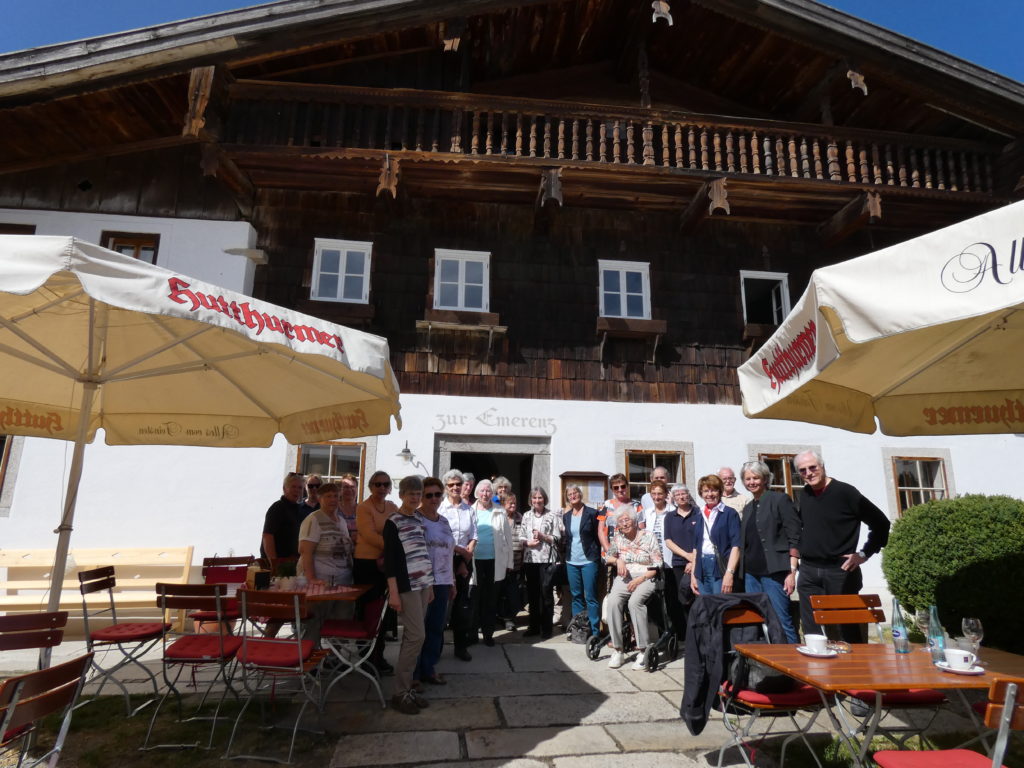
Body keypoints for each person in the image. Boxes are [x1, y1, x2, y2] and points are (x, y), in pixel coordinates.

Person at [794, 450, 890, 643]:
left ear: (822, 466)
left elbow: (881, 523)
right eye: (803, 470)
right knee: (811, 628)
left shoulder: (846, 493)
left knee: (846, 629)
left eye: (813, 467)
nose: (809, 473)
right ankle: (818, 668)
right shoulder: (804, 495)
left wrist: (864, 553)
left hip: (840, 570)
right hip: (809, 571)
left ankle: (856, 668)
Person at [383, 475, 434, 715]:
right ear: (401, 495)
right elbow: (391, 562)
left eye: (418, 493)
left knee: (414, 638)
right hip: (407, 586)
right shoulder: (392, 522)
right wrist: (393, 592)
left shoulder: (418, 519)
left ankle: (407, 690)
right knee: (416, 637)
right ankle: (399, 692)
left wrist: (431, 586)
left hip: (423, 584)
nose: (415, 497)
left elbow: (423, 552)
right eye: (410, 493)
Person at [738, 461, 801, 643]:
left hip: (775, 572)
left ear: (765, 479)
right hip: (751, 574)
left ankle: (793, 666)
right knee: (759, 620)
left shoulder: (779, 499)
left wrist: (791, 571)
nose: (752, 482)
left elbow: (794, 536)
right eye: (748, 478)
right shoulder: (749, 507)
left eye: (756, 477)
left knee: (782, 620)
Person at [353, 470, 399, 675]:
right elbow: (368, 534)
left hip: (386, 564)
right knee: (367, 610)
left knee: (383, 612)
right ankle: (366, 657)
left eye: (385, 484)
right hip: (367, 564)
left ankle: (378, 655)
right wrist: (391, 545)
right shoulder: (363, 507)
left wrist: (391, 544)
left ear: (389, 487)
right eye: (377, 484)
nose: (381, 488)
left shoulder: (392, 507)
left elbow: (399, 529)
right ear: (371, 486)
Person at [605, 509, 662, 670]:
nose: (624, 523)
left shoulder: (648, 536)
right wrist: (618, 562)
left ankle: (643, 650)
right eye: (621, 521)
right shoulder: (618, 538)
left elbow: (657, 565)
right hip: (624, 577)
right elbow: (607, 557)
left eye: (627, 520)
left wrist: (640, 579)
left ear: (634, 520)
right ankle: (618, 650)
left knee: (634, 603)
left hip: (645, 576)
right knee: (613, 602)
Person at [297, 482, 354, 642]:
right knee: (316, 622)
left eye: (336, 496)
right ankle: (310, 660)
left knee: (340, 621)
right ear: (320, 498)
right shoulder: (313, 519)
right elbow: (305, 551)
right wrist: (311, 579)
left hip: (342, 581)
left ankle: (334, 660)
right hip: (321, 583)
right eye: (328, 496)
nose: (333, 499)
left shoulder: (341, 521)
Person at [414, 477, 455, 687]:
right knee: (417, 631)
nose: (433, 499)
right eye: (428, 495)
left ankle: (428, 669)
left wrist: (452, 581)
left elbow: (448, 553)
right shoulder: (415, 519)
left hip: (443, 581)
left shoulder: (444, 521)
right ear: (421, 496)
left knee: (436, 628)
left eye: (437, 494)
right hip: (422, 583)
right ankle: (413, 674)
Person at [438, 469, 476, 661]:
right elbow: (441, 537)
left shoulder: (469, 510)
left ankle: (461, 647)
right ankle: (435, 647)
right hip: (443, 560)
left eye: (458, 484)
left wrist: (465, 559)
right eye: (451, 484)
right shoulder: (440, 509)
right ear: (446, 487)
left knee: (462, 605)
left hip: (464, 562)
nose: (455, 487)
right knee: (441, 604)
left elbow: (473, 536)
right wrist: (462, 552)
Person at [471, 478, 514, 646]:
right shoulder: (470, 510)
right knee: (475, 598)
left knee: (490, 600)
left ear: (492, 493)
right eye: (482, 490)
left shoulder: (500, 511)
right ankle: (473, 634)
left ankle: (489, 634)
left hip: (494, 561)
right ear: (477, 493)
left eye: (488, 490)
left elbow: (508, 538)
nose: (485, 493)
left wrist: (509, 562)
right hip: (474, 561)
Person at [645, 480, 688, 645]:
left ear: (665, 495)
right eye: (654, 494)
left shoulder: (673, 511)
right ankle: (664, 632)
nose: (657, 497)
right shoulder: (647, 513)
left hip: (671, 562)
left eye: (660, 494)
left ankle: (679, 635)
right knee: (655, 601)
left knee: (674, 600)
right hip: (653, 564)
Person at [520, 487, 563, 638]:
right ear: (530, 500)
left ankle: (546, 628)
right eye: (534, 498)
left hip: (546, 559)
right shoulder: (526, 515)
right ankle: (533, 627)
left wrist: (543, 536)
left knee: (546, 594)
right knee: (532, 594)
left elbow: (557, 538)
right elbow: (521, 537)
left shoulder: (552, 515)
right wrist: (527, 543)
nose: (537, 500)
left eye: (540, 498)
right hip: (530, 559)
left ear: (544, 499)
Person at [690, 474, 741, 596]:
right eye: (706, 491)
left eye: (713, 490)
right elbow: (696, 548)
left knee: (721, 605)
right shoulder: (698, 515)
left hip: (720, 566)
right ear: (701, 494)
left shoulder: (729, 514)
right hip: (701, 566)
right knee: (706, 607)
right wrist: (693, 574)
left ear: (720, 491)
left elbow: (737, 546)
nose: (710, 494)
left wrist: (729, 574)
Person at [562, 484, 601, 637]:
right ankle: (578, 629)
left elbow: (599, 536)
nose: (573, 495)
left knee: (590, 597)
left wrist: (599, 555)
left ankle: (595, 632)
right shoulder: (566, 516)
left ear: (580, 494)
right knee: (576, 596)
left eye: (575, 492)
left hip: (589, 560)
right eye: (570, 494)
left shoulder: (592, 513)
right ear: (567, 498)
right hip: (572, 560)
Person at [664, 485, 699, 642]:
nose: (681, 497)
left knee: (697, 599)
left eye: (683, 493)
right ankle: (686, 637)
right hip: (679, 563)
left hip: (698, 563)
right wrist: (686, 556)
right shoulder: (670, 517)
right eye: (677, 494)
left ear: (688, 494)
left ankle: (699, 634)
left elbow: (703, 538)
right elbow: (668, 541)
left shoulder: (698, 513)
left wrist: (694, 560)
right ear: (673, 497)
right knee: (683, 599)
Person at [260, 472, 308, 570]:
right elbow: (267, 536)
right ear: (284, 488)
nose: (297, 490)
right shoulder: (277, 508)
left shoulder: (300, 509)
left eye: (300, 488)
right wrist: (274, 563)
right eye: (293, 487)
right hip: (278, 564)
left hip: (293, 563)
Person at [498, 492, 524, 631]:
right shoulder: (499, 517)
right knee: (501, 592)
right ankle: (502, 617)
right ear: (503, 504)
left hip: (517, 561)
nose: (513, 505)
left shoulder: (520, 517)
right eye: (510, 502)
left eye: (514, 502)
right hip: (501, 561)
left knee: (513, 592)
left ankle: (509, 617)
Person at [338, 473, 359, 542]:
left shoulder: (362, 510)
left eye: (352, 487)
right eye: (346, 487)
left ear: (357, 489)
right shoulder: (334, 509)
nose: (349, 490)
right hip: (337, 549)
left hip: (358, 550)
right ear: (340, 490)